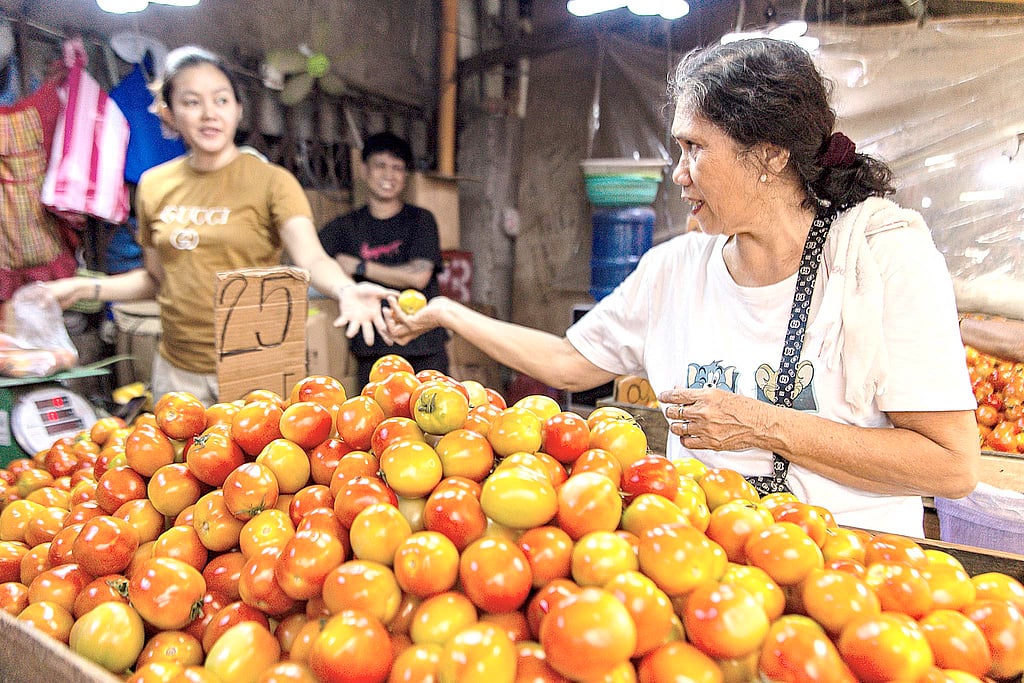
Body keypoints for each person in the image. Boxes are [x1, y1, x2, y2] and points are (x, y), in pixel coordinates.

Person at [387, 37, 980, 537]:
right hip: (699, 567)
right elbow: (569, 362)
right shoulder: (675, 268)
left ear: (770, 153)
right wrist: (448, 313)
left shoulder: (879, 258)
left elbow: (952, 466)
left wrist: (760, 424)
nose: (679, 173)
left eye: (695, 148)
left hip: (846, 570)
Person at [38, 46, 394, 405]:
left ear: (238, 109)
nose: (209, 114)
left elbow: (311, 258)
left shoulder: (272, 181)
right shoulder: (153, 185)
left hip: (257, 367)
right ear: (169, 112)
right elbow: (156, 278)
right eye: (192, 102)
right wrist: (86, 290)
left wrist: (346, 290)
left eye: (221, 100)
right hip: (178, 370)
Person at [318, 131, 449, 387]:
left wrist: (359, 266)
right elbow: (310, 266)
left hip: (424, 345)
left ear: (405, 176)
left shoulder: (421, 220)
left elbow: (418, 277)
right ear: (364, 169)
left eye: (397, 168)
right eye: (380, 166)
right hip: (372, 348)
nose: (389, 175)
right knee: (375, 426)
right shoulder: (342, 228)